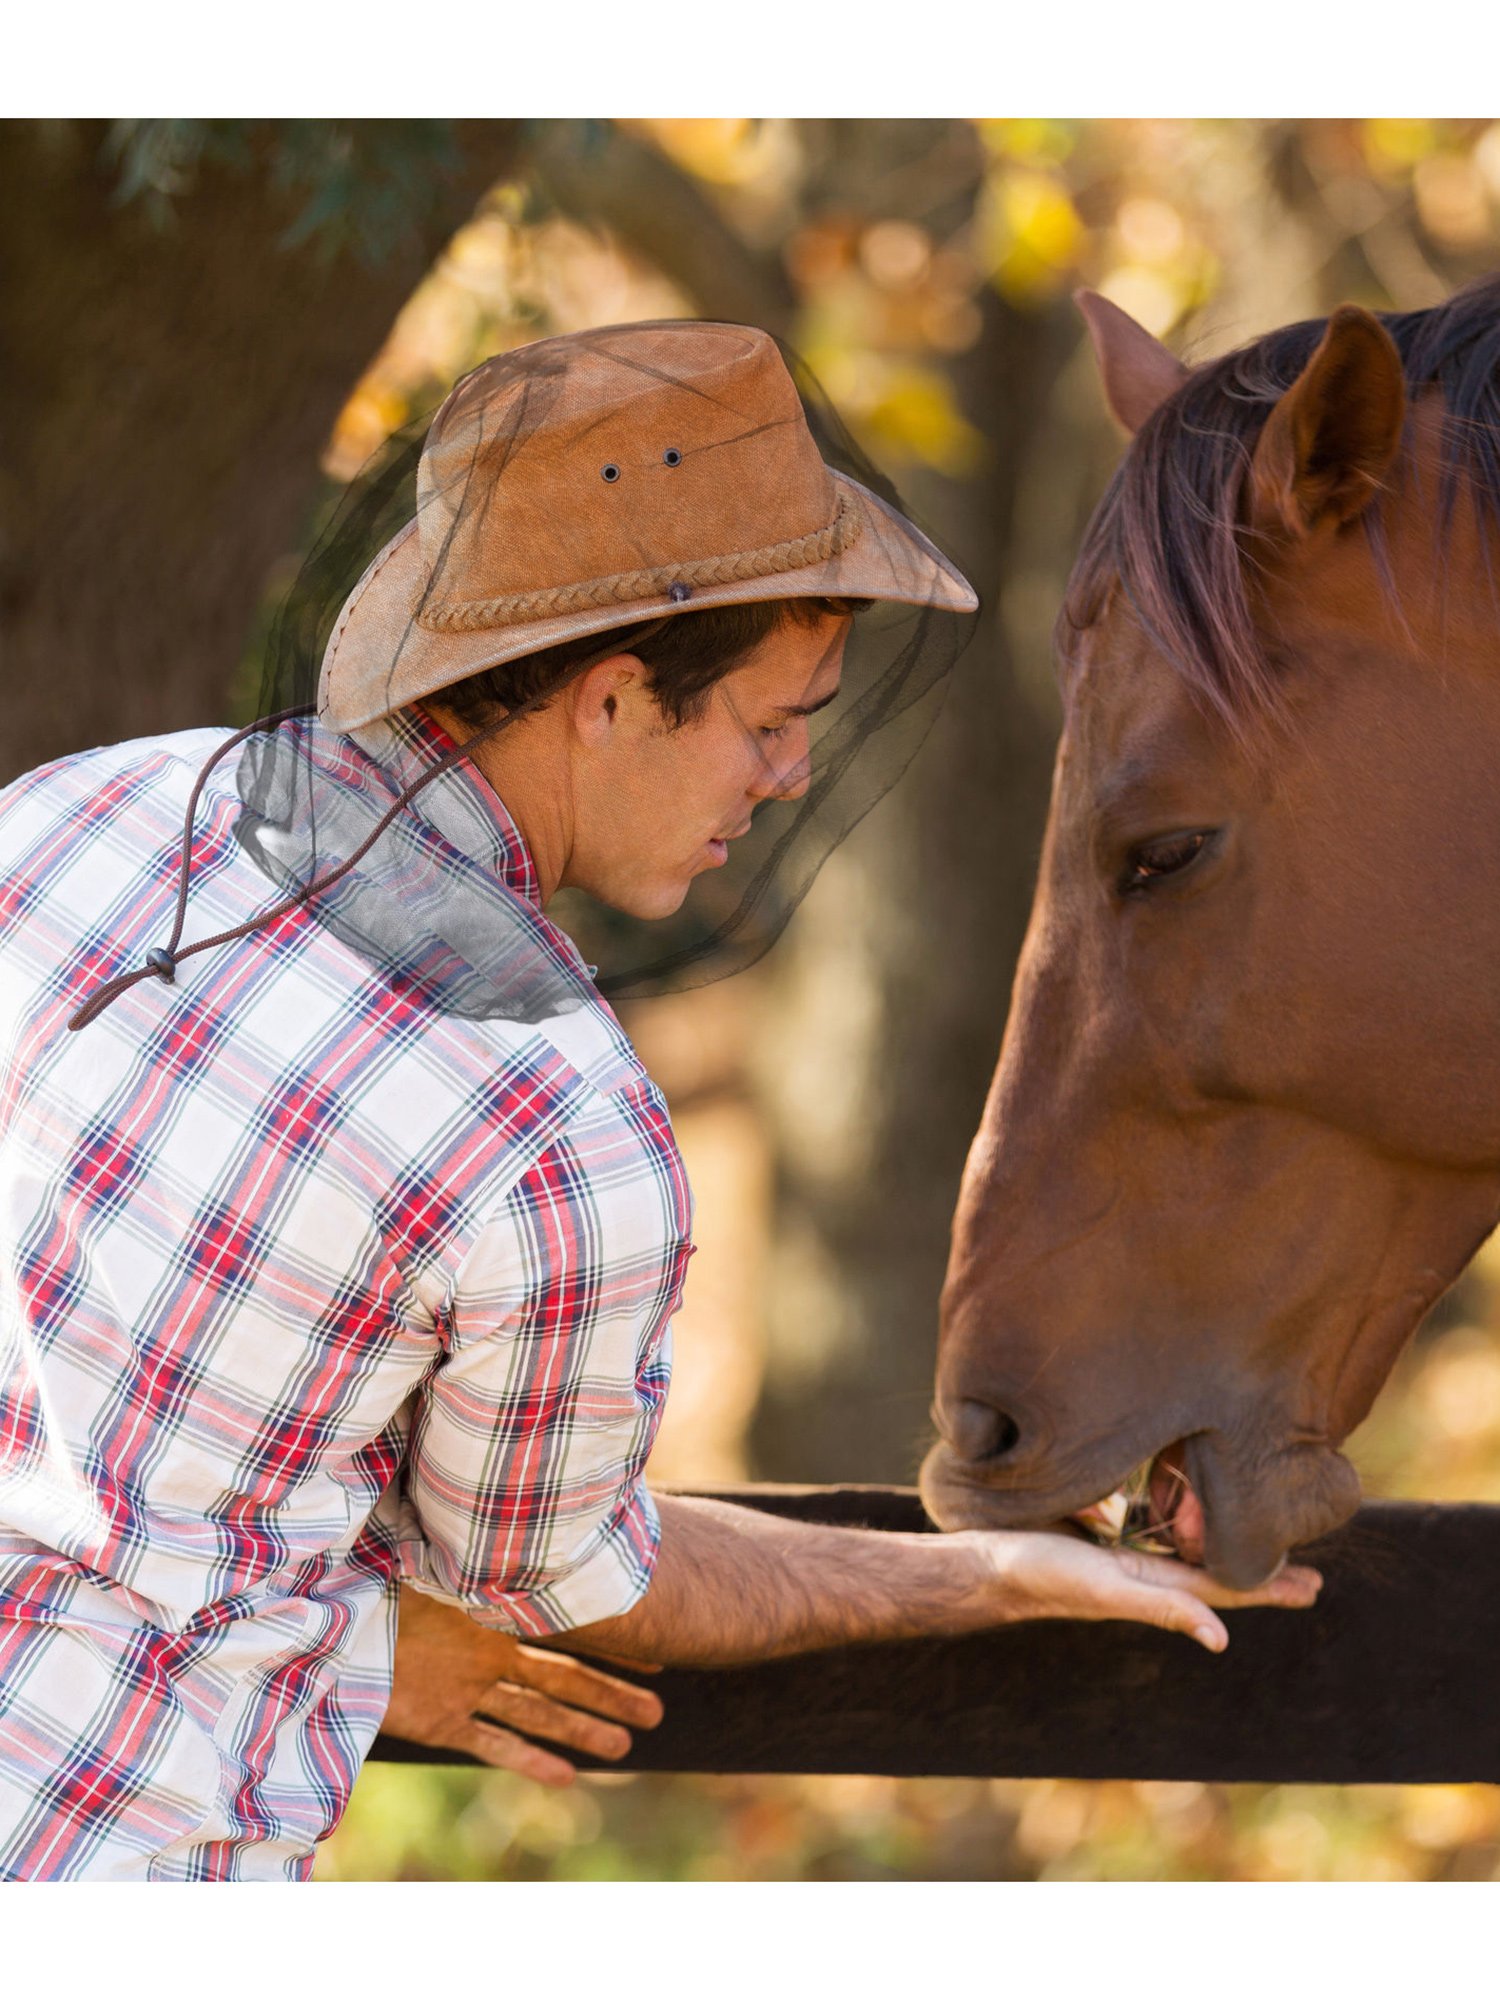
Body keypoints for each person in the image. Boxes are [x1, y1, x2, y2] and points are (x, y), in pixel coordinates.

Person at [0, 320, 1319, 1881]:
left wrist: (329, 1630)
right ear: (614, 699)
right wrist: (986, 1577)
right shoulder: (553, 1127)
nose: (789, 779)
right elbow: (563, 1588)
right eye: (771, 722)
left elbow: (133, 1468)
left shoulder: (87, 809)